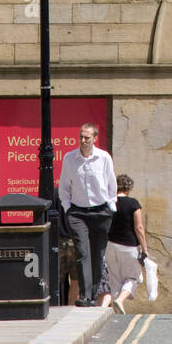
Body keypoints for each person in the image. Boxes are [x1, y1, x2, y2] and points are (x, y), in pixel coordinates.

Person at [58, 123, 117, 306]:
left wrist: (111, 206)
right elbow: (64, 187)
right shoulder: (70, 158)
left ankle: (93, 296)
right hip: (78, 213)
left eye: (87, 138)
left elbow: (111, 183)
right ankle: (84, 296)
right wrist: (68, 209)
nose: (83, 141)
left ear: (95, 139)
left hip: (101, 212)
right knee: (82, 253)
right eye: (81, 137)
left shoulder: (103, 158)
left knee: (97, 254)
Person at [106, 174, 149, 315]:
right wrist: (144, 248)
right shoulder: (133, 203)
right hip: (129, 246)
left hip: (110, 245)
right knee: (134, 277)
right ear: (129, 187)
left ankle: (116, 308)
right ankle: (120, 300)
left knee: (115, 278)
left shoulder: (108, 202)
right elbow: (139, 228)